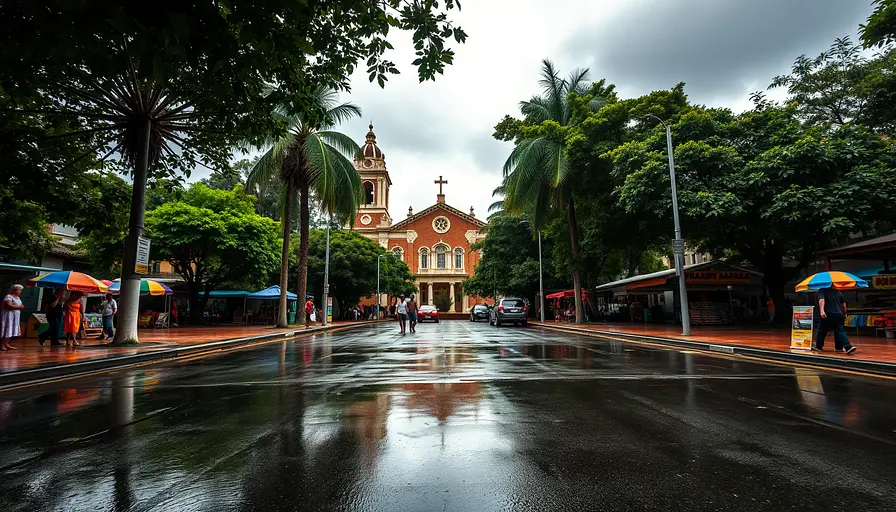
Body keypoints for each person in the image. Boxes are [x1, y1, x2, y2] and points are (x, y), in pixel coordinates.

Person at [814, 286, 856, 354]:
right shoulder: (838, 292)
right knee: (839, 330)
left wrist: (822, 311)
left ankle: (818, 346)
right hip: (838, 314)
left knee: (822, 330)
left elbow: (821, 299)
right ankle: (843, 347)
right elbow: (843, 304)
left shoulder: (821, 291)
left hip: (828, 313)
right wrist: (844, 313)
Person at [1, 284, 25, 351]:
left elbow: (19, 304)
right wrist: (19, 307)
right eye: (19, 290)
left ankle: (6, 343)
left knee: (11, 329)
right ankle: (2, 344)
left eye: (21, 290)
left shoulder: (18, 298)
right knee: (7, 328)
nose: (20, 291)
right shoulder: (8, 296)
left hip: (15, 316)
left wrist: (21, 306)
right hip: (9, 315)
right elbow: (9, 305)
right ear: (15, 290)